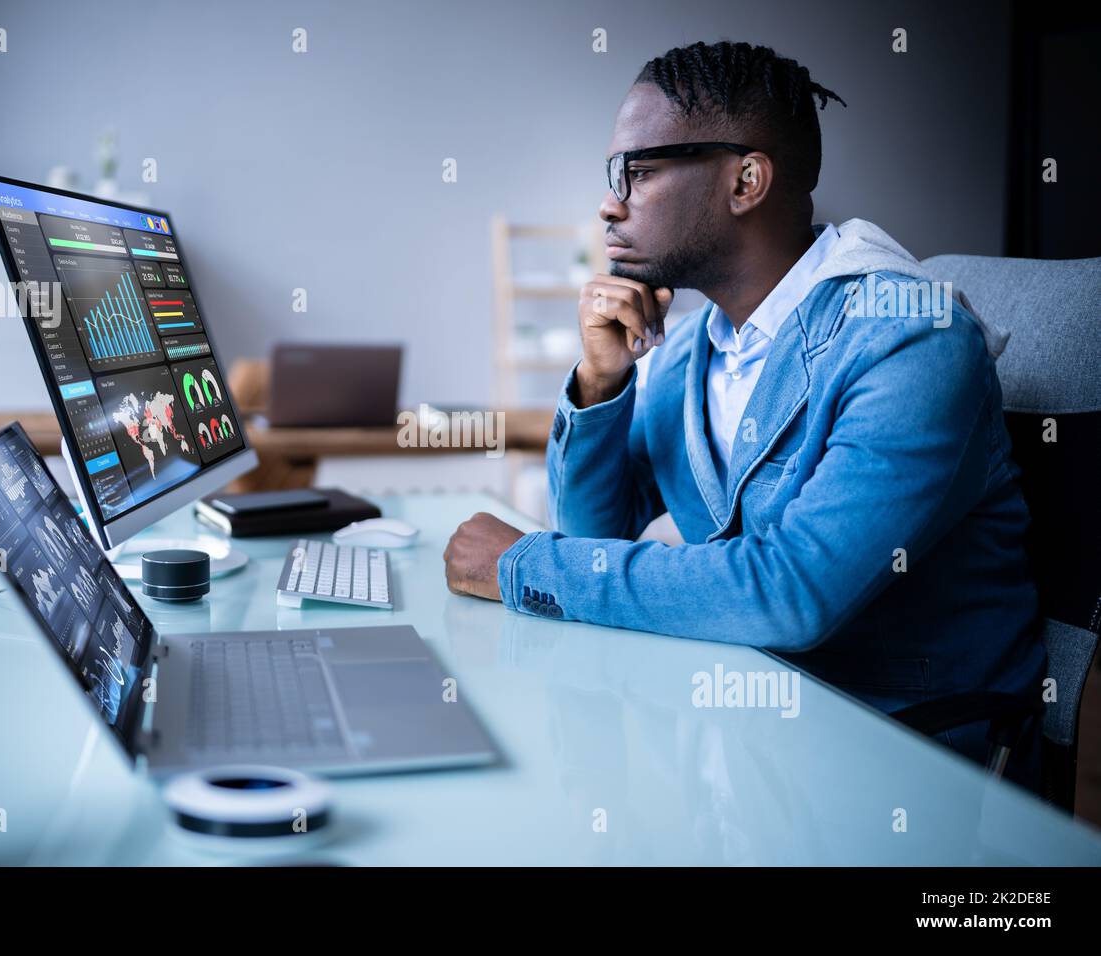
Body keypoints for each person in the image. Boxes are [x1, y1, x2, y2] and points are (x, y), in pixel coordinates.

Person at [443, 40, 1044, 779]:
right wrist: (601, 384)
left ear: (747, 179)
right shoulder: (691, 351)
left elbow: (793, 593)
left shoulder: (912, 340)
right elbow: (594, 532)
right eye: (614, 175)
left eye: (640, 170)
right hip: (740, 740)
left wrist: (522, 563)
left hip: (896, 761)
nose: (610, 201)